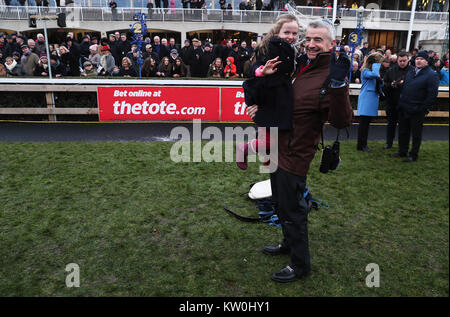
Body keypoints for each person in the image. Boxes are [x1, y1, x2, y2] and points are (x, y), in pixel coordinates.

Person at [246, 18, 352, 283]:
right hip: (276, 148)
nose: (312, 44)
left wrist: (339, 88)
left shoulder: (331, 74)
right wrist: (261, 107)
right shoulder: (300, 65)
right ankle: (288, 244)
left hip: (295, 155)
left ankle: (300, 264)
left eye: (319, 40)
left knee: (293, 211)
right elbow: (285, 101)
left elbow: (341, 121)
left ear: (331, 43)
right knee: (280, 206)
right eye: (309, 39)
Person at [237, 14, 298, 170]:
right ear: (277, 32)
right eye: (287, 32)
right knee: (269, 142)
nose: (291, 37)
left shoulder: (289, 50)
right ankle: (243, 149)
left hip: (279, 103)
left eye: (294, 33)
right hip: (269, 103)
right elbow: (255, 67)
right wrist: (261, 72)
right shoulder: (270, 48)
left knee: (276, 141)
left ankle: (269, 161)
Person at [395, 50, 439, 162]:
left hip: (417, 110)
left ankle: (413, 155)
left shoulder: (431, 75)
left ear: (427, 61)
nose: (419, 61)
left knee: (416, 134)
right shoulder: (411, 72)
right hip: (405, 108)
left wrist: (422, 108)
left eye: (422, 59)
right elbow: (405, 88)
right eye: (418, 59)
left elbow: (432, 95)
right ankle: (402, 151)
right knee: (403, 132)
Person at [382, 51, 412, 149]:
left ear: (408, 59)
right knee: (391, 124)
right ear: (397, 60)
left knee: (404, 127)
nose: (402, 63)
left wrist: (405, 84)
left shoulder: (413, 71)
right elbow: (384, 84)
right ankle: (388, 143)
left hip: (406, 103)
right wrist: (391, 84)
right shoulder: (391, 70)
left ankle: (402, 146)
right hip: (392, 102)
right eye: (400, 61)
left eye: (404, 61)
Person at [356, 52, 383, 152]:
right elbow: (375, 75)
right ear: (374, 63)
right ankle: (361, 145)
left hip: (371, 99)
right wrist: (375, 63)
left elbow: (379, 81)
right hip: (367, 99)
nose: (380, 65)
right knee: (363, 124)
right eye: (378, 63)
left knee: (366, 124)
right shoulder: (365, 71)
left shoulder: (370, 72)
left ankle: (363, 144)